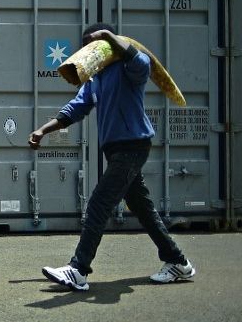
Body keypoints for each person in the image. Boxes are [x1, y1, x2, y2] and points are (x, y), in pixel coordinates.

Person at [30, 23, 195, 291]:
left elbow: (142, 63)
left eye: (93, 45)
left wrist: (109, 37)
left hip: (133, 146)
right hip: (117, 151)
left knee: (99, 203)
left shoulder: (128, 69)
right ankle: (178, 262)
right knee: (143, 208)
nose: (88, 51)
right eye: (85, 46)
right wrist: (42, 130)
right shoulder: (95, 78)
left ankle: (78, 270)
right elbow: (75, 108)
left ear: (107, 46)